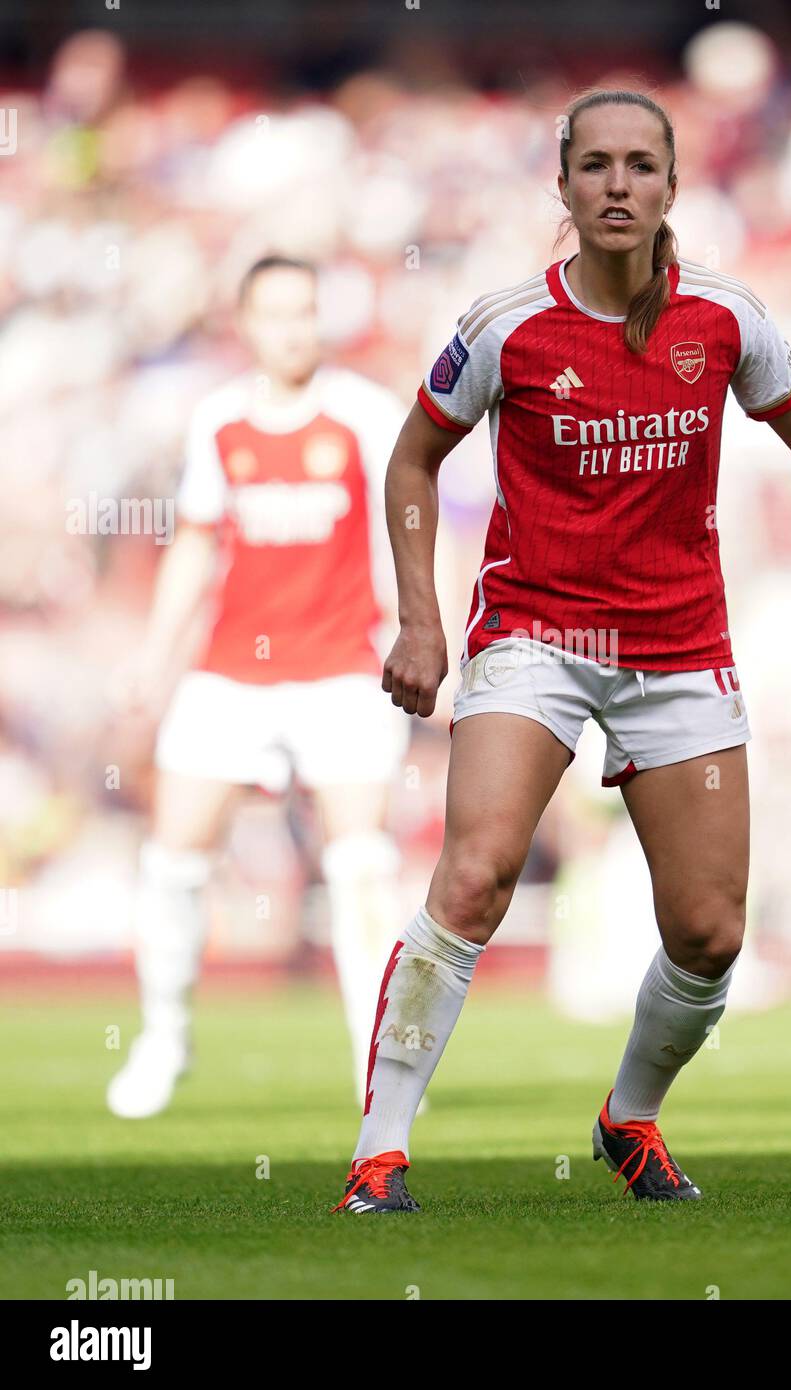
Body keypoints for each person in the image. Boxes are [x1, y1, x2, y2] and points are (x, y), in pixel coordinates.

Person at [334, 89, 791, 1214]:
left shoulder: (726, 320)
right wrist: (425, 620)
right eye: (596, 166)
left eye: (641, 165)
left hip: (680, 646)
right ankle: (378, 1153)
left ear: (673, 187)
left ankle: (629, 1118)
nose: (618, 185)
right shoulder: (505, 329)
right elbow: (410, 461)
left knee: (711, 931)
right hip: (535, 636)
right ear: (565, 185)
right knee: (475, 872)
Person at [108, 255, 410, 1117]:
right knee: (173, 859)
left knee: (361, 864)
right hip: (231, 671)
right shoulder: (219, 421)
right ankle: (165, 1037)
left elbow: (410, 521)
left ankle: (378, 1067)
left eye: (306, 311)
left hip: (341, 671)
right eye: (276, 314)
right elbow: (198, 544)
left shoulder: (362, 414)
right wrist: (156, 655)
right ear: (245, 323)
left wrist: (425, 631)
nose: (293, 329)